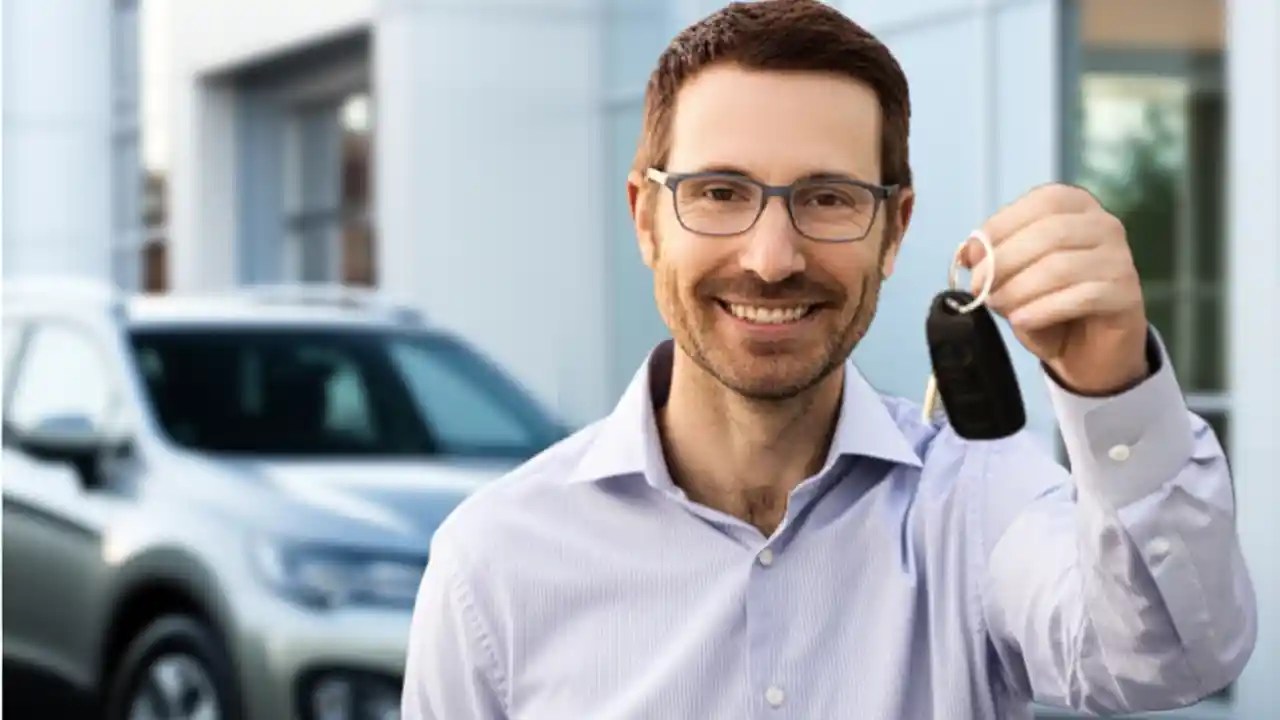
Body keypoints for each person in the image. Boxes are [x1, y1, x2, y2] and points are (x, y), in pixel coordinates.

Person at [401, 1, 1256, 718]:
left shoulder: (977, 502)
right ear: (645, 218)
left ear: (895, 229)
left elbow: (1175, 657)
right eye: (720, 193)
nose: (772, 257)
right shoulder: (494, 565)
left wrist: (1113, 385)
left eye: (829, 198)